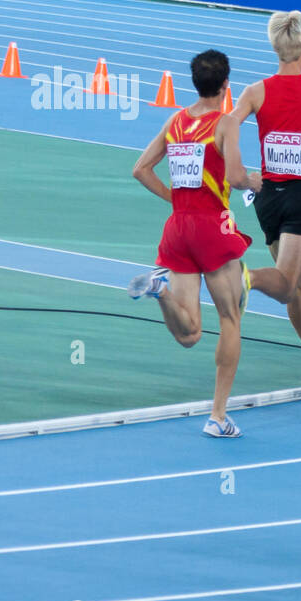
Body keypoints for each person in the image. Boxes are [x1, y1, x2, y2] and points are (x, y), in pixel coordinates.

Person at [128, 50, 253, 439]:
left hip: (178, 228)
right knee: (230, 320)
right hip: (212, 229)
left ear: (195, 82)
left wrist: (175, 199)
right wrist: (254, 182)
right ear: (227, 85)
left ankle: (161, 290)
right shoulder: (227, 124)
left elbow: (140, 169)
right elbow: (234, 173)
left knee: (190, 335)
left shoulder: (176, 120)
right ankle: (217, 415)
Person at [228, 10, 301, 388]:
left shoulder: (255, 92)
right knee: (285, 285)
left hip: (265, 198)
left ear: (275, 47)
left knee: (298, 288)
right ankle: (244, 277)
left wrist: (242, 175)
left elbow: (225, 128)